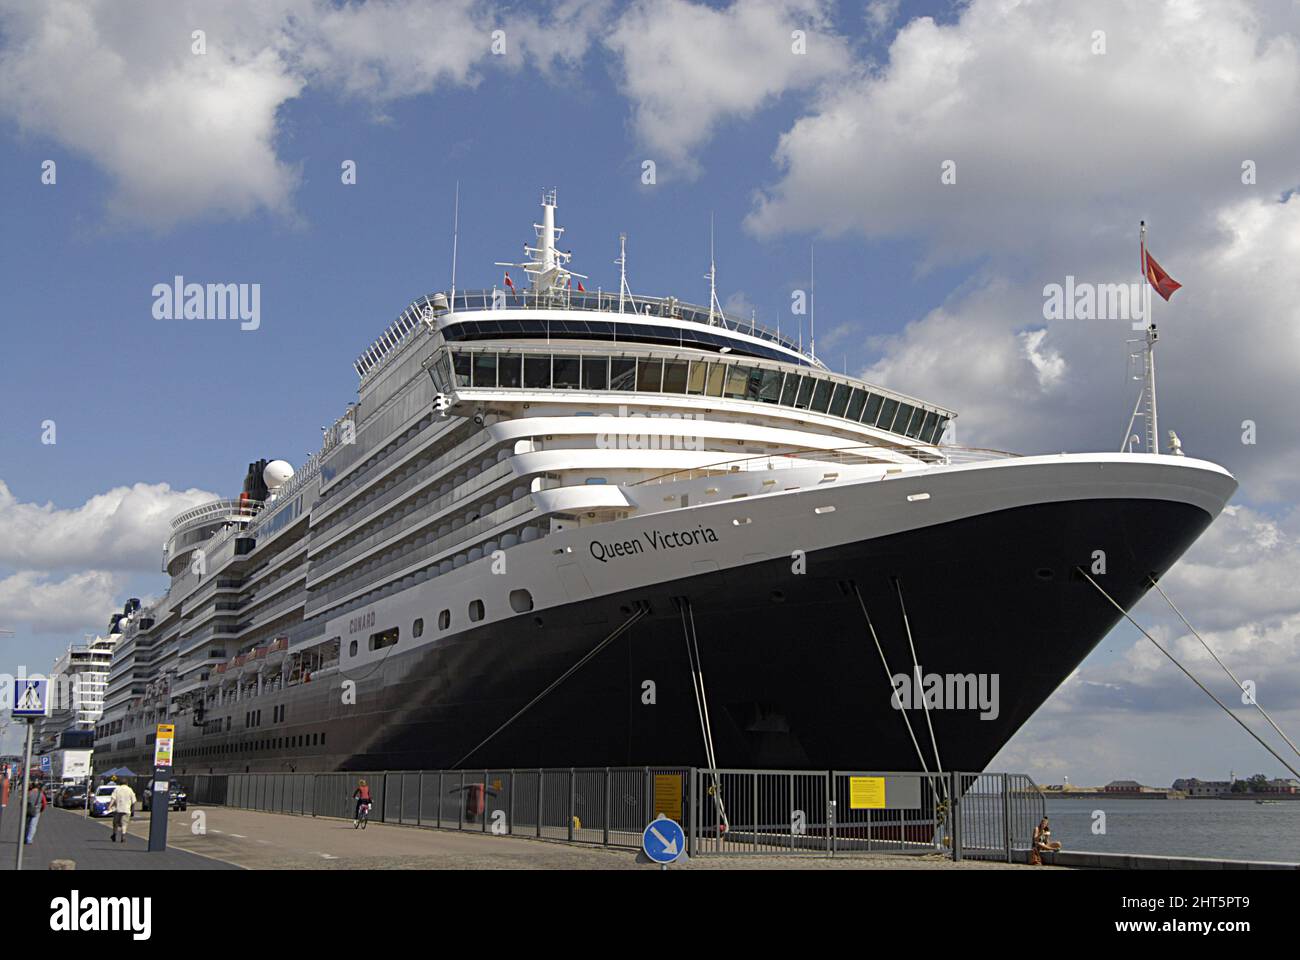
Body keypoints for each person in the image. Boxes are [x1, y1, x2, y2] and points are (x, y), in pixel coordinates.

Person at [109, 778, 137, 843]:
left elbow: (113, 798)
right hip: (126, 810)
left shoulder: (117, 789)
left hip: (118, 810)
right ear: (127, 783)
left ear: (120, 783)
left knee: (115, 823)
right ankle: (123, 836)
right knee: (124, 824)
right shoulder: (130, 790)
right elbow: (134, 801)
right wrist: (133, 809)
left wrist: (109, 806)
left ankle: (114, 834)